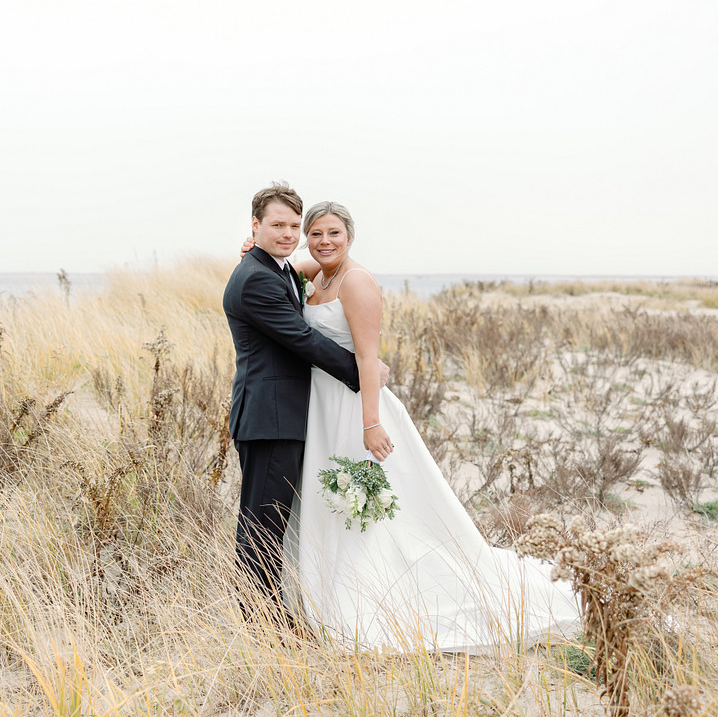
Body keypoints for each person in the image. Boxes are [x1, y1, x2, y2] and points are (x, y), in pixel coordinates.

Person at [242, 201, 579, 651]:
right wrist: (249, 247)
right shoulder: (315, 272)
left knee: (368, 507)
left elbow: (366, 355)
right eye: (315, 233)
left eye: (334, 234)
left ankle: (368, 599)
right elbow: (275, 261)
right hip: (318, 409)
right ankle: (325, 593)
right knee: (327, 502)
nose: (324, 241)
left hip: (353, 405)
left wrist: (370, 422)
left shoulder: (357, 280)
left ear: (350, 236)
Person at [223, 183, 391, 626]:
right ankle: (264, 625)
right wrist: (362, 371)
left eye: (294, 226)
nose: (289, 233)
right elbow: (301, 338)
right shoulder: (258, 277)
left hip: (293, 414)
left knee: (279, 520)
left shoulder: (278, 267)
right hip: (270, 417)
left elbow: (321, 258)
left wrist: (260, 247)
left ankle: (282, 610)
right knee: (263, 525)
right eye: (277, 225)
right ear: (255, 225)